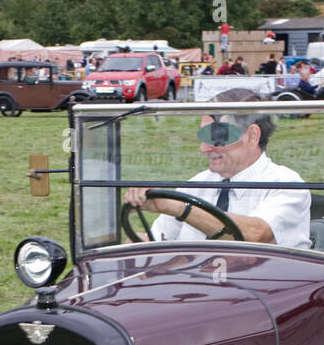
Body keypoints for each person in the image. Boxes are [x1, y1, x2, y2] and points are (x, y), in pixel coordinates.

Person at [122, 88, 311, 248]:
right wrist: (136, 245)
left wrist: (182, 208)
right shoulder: (196, 185)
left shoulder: (287, 185)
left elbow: (256, 235)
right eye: (203, 137)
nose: (203, 149)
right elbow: (159, 239)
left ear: (252, 136)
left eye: (217, 136)